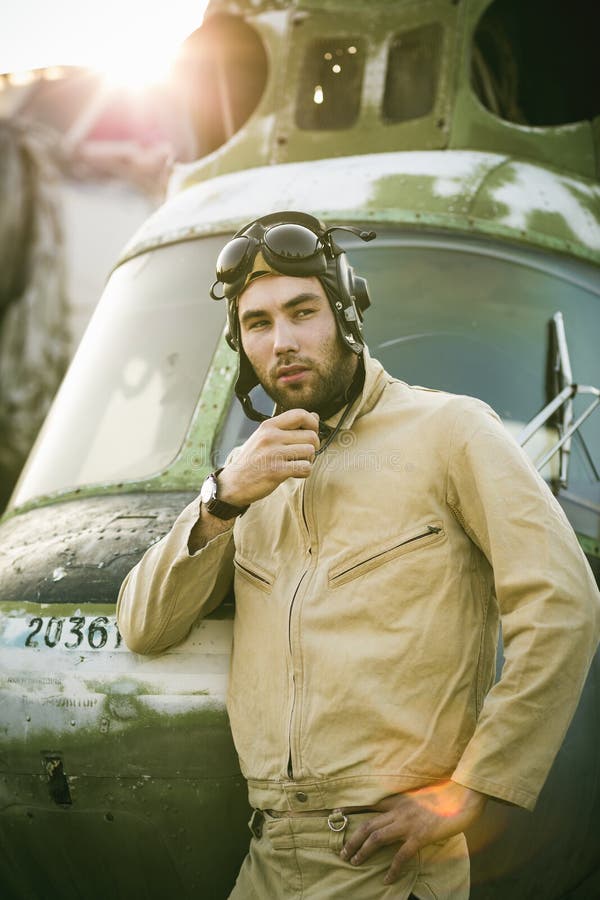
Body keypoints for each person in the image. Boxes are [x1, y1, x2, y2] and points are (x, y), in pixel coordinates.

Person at [117, 211, 600, 899]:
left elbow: (564, 604)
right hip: (265, 860)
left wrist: (473, 790)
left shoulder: (451, 431)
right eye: (258, 324)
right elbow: (144, 624)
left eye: (302, 311)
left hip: (386, 862)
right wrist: (223, 497)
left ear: (344, 313)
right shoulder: (253, 477)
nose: (282, 342)